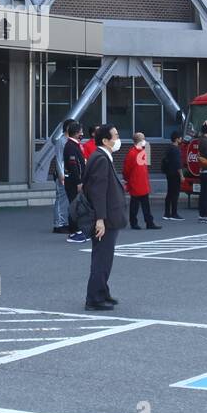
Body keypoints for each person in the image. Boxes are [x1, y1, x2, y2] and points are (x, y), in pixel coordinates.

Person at [82, 124, 127, 311]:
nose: (118, 139)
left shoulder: (101, 156)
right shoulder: (100, 158)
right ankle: (95, 298)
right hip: (105, 219)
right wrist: (100, 219)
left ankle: (102, 292)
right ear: (105, 141)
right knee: (102, 258)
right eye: (115, 136)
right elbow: (98, 191)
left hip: (108, 217)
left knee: (103, 257)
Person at [124, 132, 159, 230]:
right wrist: (128, 180)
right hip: (136, 181)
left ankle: (148, 222)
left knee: (144, 204)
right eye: (143, 138)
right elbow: (126, 169)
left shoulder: (142, 150)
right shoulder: (132, 153)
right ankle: (135, 222)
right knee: (135, 205)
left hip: (142, 181)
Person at [63, 122, 89, 242]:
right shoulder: (70, 146)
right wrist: (79, 182)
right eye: (81, 132)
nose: (82, 134)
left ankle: (78, 230)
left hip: (75, 180)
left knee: (78, 205)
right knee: (74, 206)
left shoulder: (74, 145)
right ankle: (74, 232)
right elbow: (74, 166)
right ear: (77, 132)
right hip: (73, 182)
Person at [162, 130, 185, 221]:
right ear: (176, 139)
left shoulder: (169, 148)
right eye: (180, 138)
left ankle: (167, 213)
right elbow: (178, 164)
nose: (181, 139)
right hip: (175, 174)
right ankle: (174, 213)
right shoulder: (176, 150)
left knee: (169, 193)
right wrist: (182, 175)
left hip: (168, 173)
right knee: (175, 194)